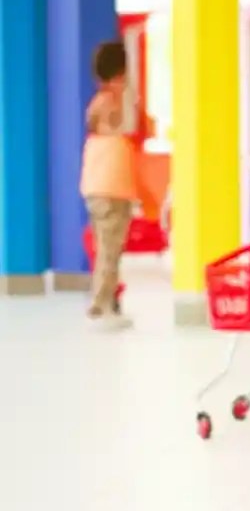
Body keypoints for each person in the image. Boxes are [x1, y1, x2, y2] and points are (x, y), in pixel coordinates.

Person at [79, 40, 137, 331]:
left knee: (108, 248)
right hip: (110, 189)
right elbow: (117, 133)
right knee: (109, 249)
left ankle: (106, 301)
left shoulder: (98, 105)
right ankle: (100, 304)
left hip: (98, 188)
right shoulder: (109, 105)